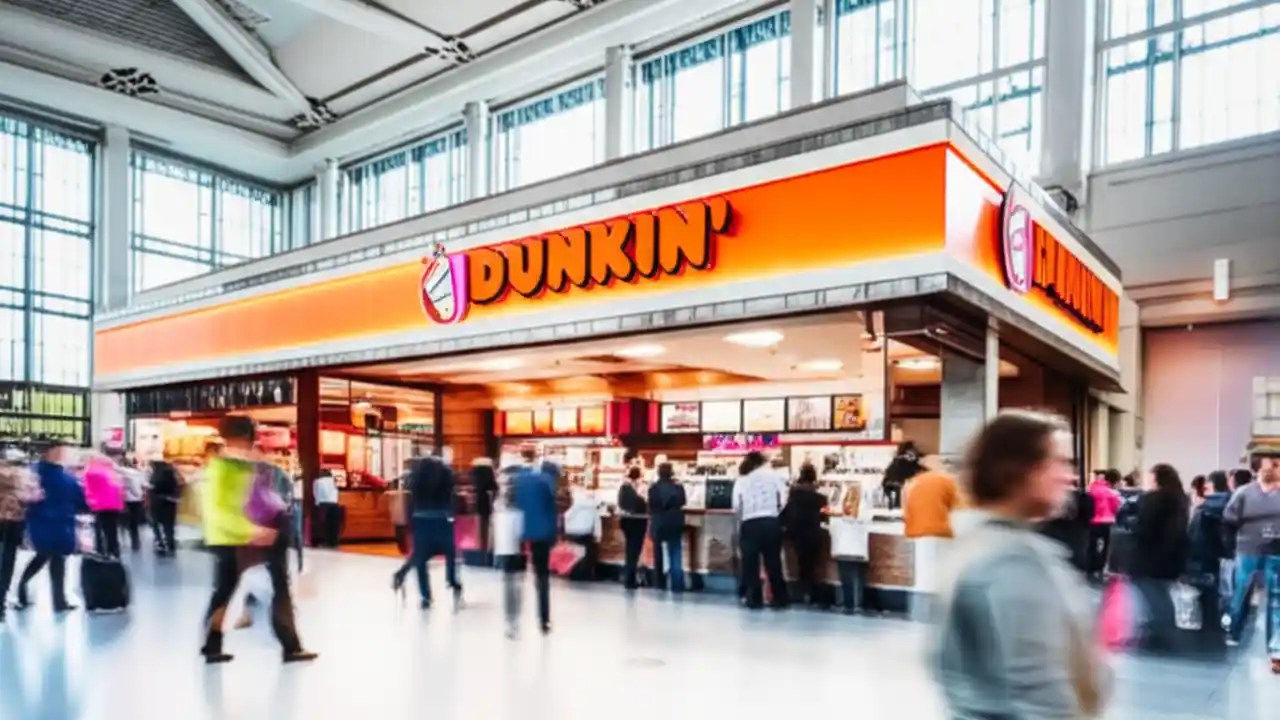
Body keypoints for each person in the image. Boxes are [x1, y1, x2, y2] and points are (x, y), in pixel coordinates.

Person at [933, 411, 1109, 720]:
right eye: (1059, 462)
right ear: (1019, 471)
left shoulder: (970, 544)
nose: (1070, 476)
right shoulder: (1015, 561)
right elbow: (1040, 693)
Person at [199, 415, 315, 664]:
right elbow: (220, 510)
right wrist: (253, 531)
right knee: (233, 590)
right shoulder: (224, 468)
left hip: (249, 534)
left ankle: (214, 643)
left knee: (238, 589)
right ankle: (214, 641)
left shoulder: (239, 465)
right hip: (243, 536)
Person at [1222, 457, 1280, 669]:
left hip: (1276, 552)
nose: (1270, 469)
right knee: (1241, 591)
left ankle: (1275, 649)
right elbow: (1229, 520)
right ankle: (1234, 629)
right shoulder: (1244, 493)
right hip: (1247, 549)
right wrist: (1229, 546)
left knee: (1276, 600)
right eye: (1267, 465)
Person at [15, 442, 84, 613]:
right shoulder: (43, 474)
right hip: (48, 521)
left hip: (55, 521)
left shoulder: (41, 473)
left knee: (52, 558)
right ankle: (52, 598)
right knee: (48, 556)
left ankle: (56, 599)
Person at [1130, 463, 1191, 651]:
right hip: (1171, 556)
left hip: (1150, 556)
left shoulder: (1153, 499)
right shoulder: (1180, 499)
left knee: (1152, 593)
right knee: (1161, 593)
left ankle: (1158, 630)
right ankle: (1161, 629)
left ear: (1157, 478)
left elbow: (1143, 527)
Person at [392, 454, 462, 609]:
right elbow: (452, 497)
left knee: (420, 558)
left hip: (421, 519)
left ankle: (425, 595)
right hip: (442, 519)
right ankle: (452, 581)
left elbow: (410, 500)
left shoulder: (415, 477)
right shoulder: (445, 475)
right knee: (450, 552)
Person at [733, 451, 789, 609]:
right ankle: (780, 598)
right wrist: (775, 511)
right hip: (771, 522)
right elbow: (784, 497)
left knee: (750, 563)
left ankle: (754, 598)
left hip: (750, 523)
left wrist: (744, 515)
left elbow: (736, 504)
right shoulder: (774, 476)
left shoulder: (742, 479)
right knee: (773, 562)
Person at [512, 449, 557, 634]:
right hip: (542, 533)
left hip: (519, 531)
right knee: (542, 577)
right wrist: (554, 532)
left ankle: (514, 619)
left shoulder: (517, 479)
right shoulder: (545, 480)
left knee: (515, 576)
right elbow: (550, 508)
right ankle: (544, 619)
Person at [781, 463, 828, 606]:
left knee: (802, 565)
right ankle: (812, 594)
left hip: (797, 534)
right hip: (813, 533)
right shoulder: (820, 498)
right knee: (813, 565)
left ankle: (803, 593)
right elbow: (825, 517)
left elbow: (785, 515)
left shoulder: (793, 495)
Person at [0, 448, 37, 623]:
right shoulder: (23, 476)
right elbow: (32, 496)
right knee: (7, 561)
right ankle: (1, 603)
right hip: (14, 522)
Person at [647, 462, 687, 594]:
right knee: (675, 552)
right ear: (671, 473)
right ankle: (677, 584)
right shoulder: (678, 487)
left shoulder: (653, 488)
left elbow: (651, 506)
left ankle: (660, 582)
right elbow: (683, 502)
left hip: (659, 523)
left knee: (658, 554)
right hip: (675, 522)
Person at [903, 458, 961, 539]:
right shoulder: (947, 481)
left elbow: (906, 510)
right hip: (940, 531)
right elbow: (956, 509)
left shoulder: (911, 483)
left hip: (915, 531)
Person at [83, 454, 125, 558]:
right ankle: (114, 550)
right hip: (114, 505)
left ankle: (100, 549)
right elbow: (119, 488)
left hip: (99, 505)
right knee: (112, 528)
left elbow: (88, 489)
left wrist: (89, 501)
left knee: (99, 528)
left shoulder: (91, 472)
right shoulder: (112, 472)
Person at [1087, 469, 1124, 579]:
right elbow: (1115, 507)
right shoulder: (1113, 493)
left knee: (1092, 545)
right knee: (1106, 546)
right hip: (1108, 522)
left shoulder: (1093, 488)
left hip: (1093, 521)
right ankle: (1101, 568)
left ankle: (1090, 567)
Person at [617, 466, 648, 590]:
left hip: (626, 521)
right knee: (634, 551)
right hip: (638, 521)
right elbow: (641, 504)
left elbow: (621, 503)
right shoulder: (638, 488)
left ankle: (629, 577)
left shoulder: (623, 487)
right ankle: (630, 578)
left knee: (630, 550)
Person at [149, 459, 182, 556]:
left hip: (157, 503)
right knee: (169, 525)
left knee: (156, 524)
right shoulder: (171, 474)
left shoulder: (156, 475)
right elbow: (177, 487)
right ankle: (170, 543)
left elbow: (154, 487)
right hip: (170, 503)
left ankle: (160, 543)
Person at [119, 455, 147, 553]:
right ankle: (135, 543)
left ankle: (122, 541)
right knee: (134, 524)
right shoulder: (139, 473)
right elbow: (144, 485)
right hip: (137, 500)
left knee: (122, 522)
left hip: (124, 500)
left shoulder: (121, 473)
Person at [882, 441, 921, 510]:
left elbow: (887, 480)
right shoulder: (907, 461)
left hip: (893, 487)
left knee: (897, 504)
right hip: (902, 487)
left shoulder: (896, 461)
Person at [471, 458, 498, 553]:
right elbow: (494, 487)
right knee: (487, 524)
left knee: (479, 525)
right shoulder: (489, 473)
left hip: (478, 501)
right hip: (488, 501)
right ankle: (486, 546)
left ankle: (480, 545)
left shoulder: (475, 473)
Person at [313, 470, 341, 547]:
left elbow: (316, 493)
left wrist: (316, 504)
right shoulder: (333, 481)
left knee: (324, 525)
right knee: (334, 525)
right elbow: (337, 492)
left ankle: (326, 542)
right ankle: (334, 543)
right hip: (335, 504)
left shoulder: (318, 481)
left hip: (324, 504)